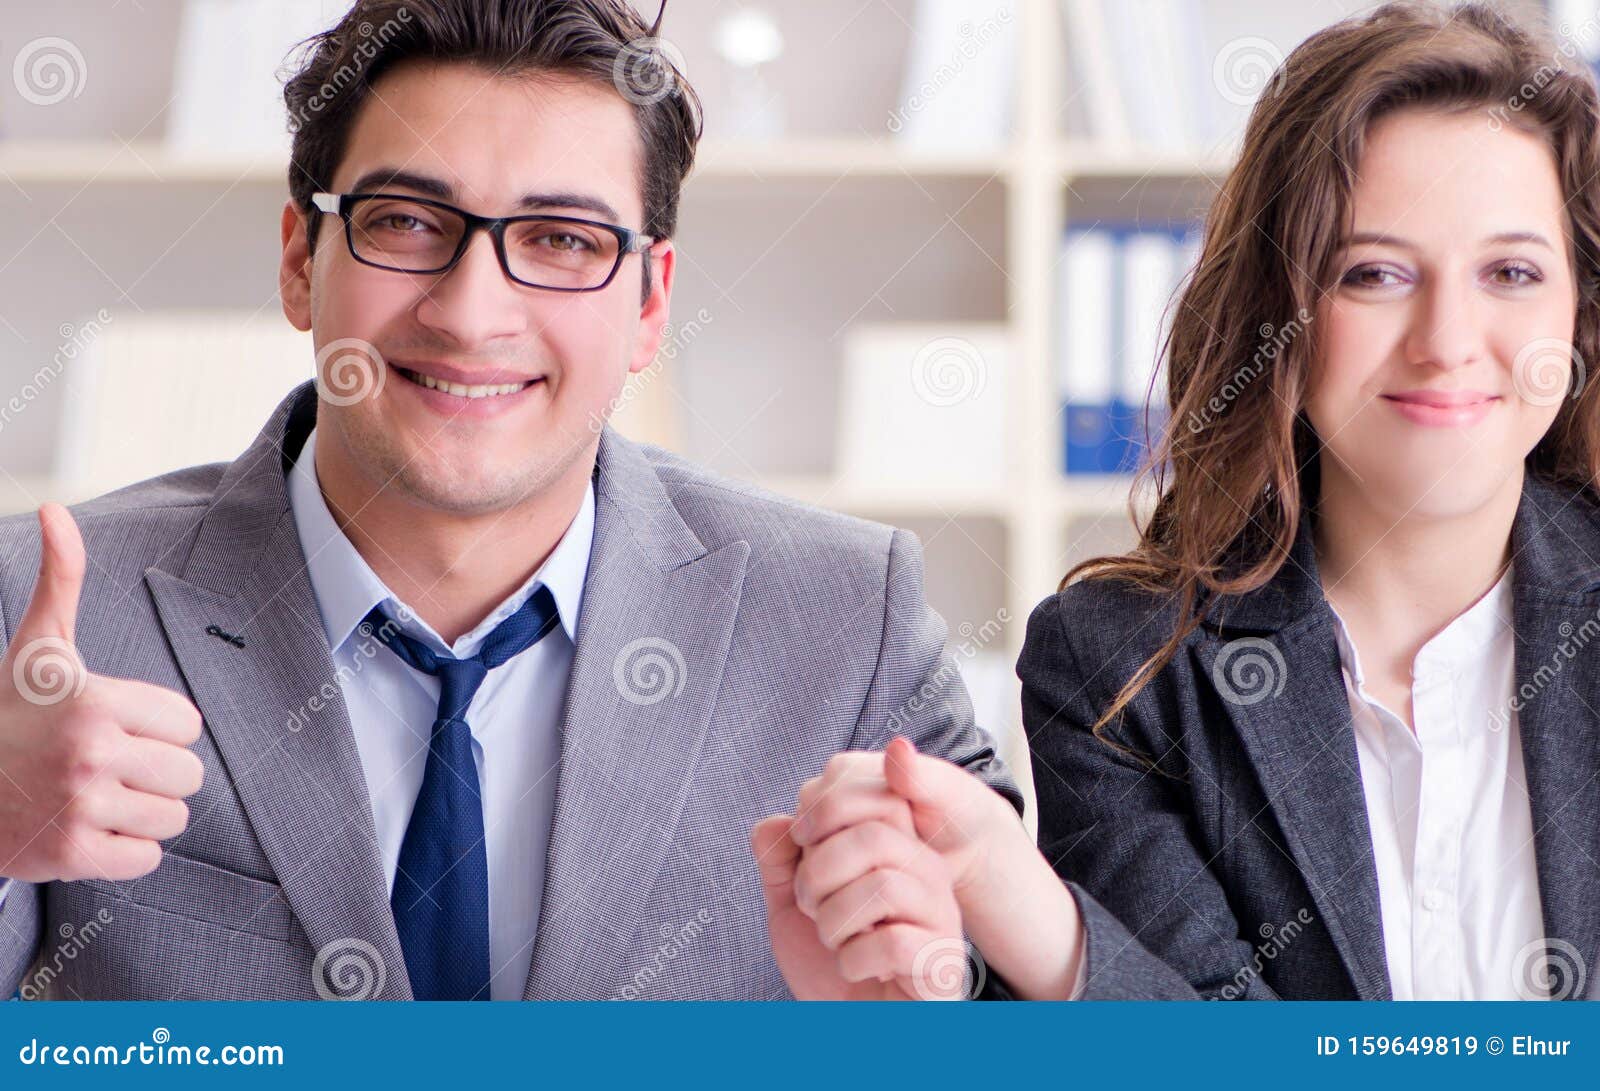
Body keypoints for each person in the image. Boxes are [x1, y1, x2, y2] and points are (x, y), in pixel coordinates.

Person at [0, 0, 1018, 1001]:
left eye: (564, 240)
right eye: (403, 221)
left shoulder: (846, 620)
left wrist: (928, 1008)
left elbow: (1040, 998)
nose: (469, 312)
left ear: (649, 302)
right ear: (301, 259)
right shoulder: (33, 614)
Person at [759, 0, 1600, 1001]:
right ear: (1279, 311)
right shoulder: (1120, 668)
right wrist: (1009, 893)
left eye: (1511, 270)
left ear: (1577, 311)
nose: (1448, 337)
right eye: (1371, 272)